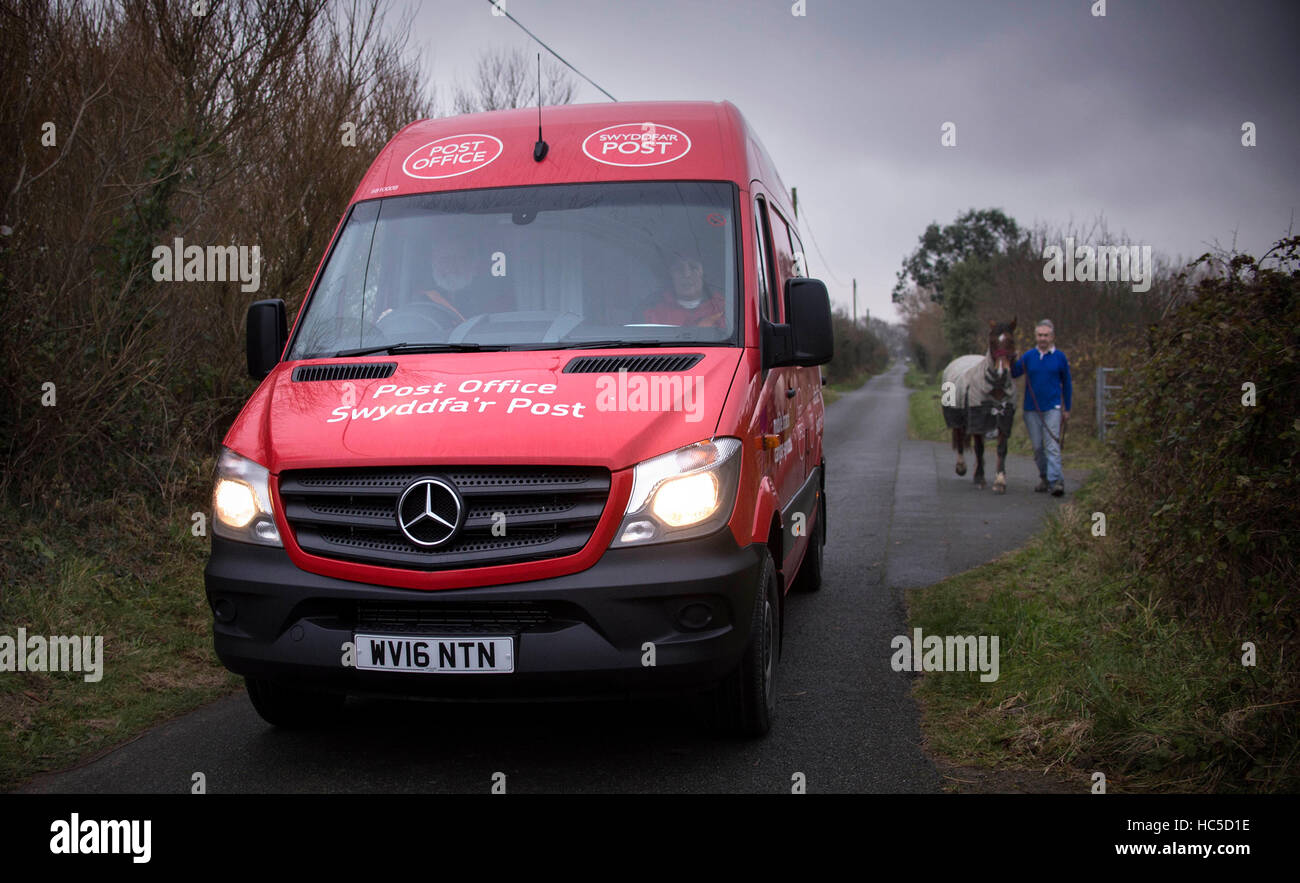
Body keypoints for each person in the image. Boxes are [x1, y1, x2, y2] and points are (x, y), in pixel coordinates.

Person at [1011, 319, 1072, 496]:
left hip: (1053, 407)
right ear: (1035, 336)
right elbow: (1015, 372)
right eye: (1040, 335)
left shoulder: (1060, 357)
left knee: (1052, 444)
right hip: (1031, 409)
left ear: (1052, 337)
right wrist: (1012, 358)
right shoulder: (1029, 356)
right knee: (1038, 447)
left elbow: (1067, 384)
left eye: (1046, 335)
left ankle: (1056, 481)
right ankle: (1045, 477)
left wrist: (1067, 408)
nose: (1042, 338)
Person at [643, 254, 726, 327]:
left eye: (693, 267)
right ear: (670, 275)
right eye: (679, 268)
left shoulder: (724, 308)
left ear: (704, 273)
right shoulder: (652, 310)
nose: (687, 274)